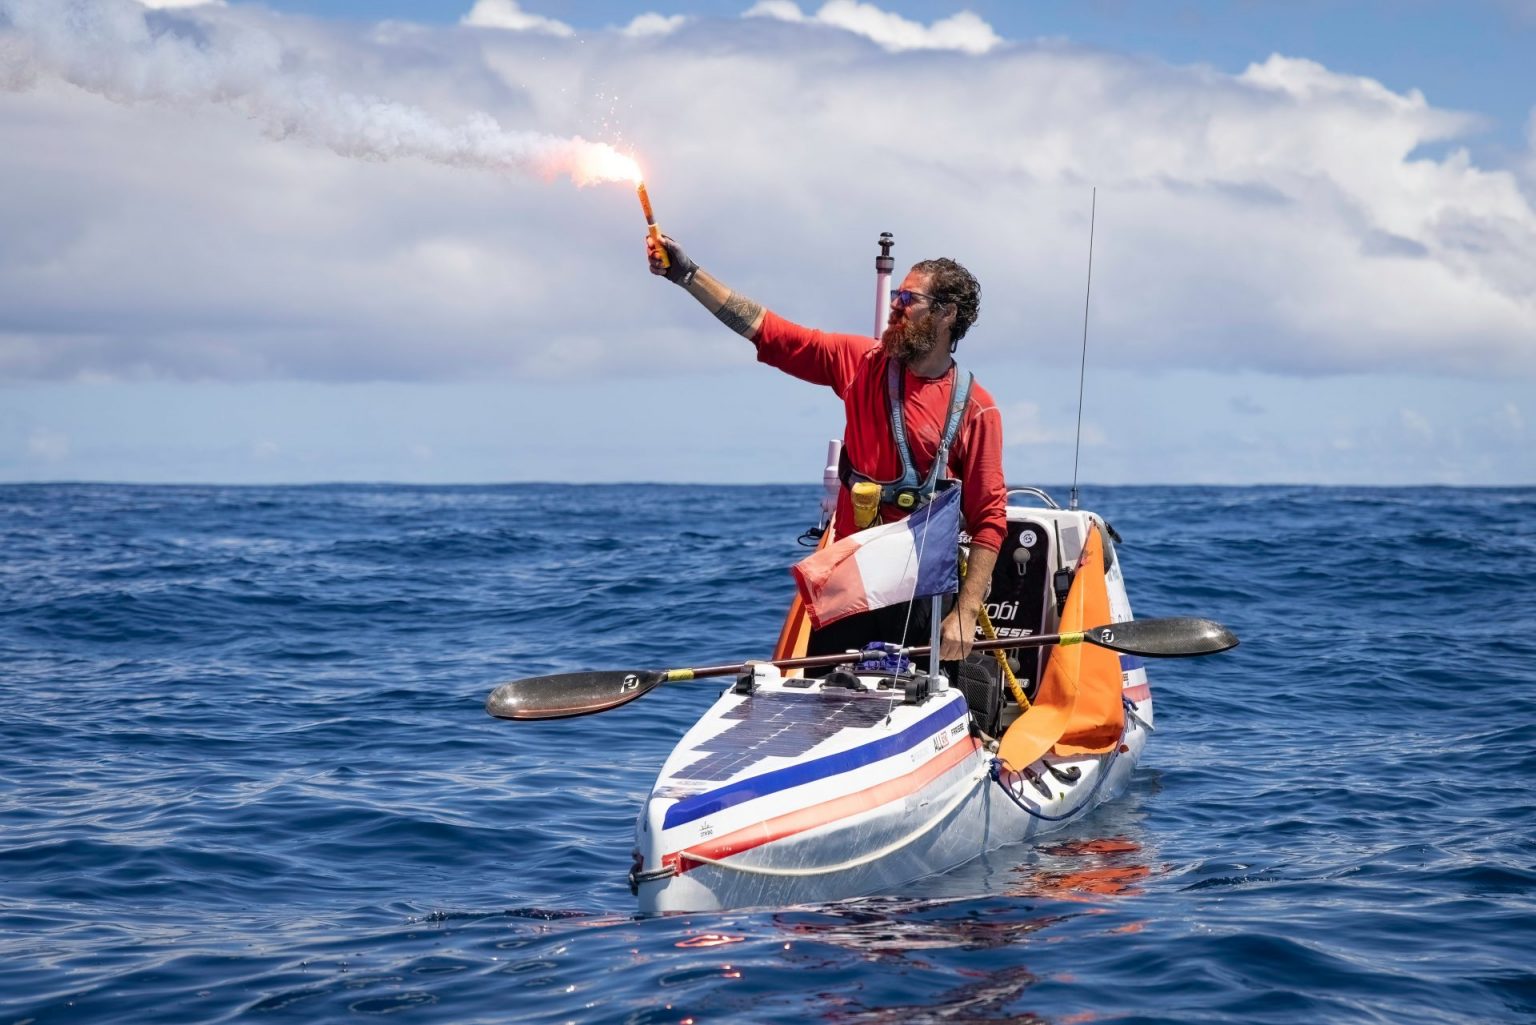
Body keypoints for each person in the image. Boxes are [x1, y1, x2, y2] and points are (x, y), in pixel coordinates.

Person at [647, 234, 1007, 662]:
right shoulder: (861, 363)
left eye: (908, 298)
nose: (895, 305)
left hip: (921, 593)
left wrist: (965, 614)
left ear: (946, 313)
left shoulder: (977, 409)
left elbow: (989, 518)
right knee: (827, 697)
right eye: (895, 294)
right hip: (851, 580)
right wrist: (688, 275)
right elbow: (771, 332)